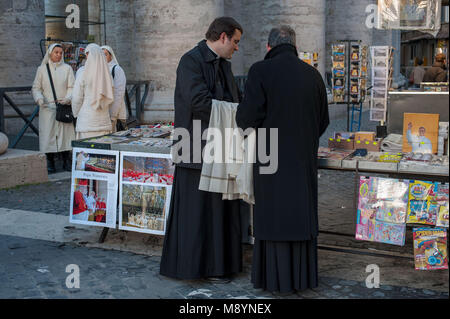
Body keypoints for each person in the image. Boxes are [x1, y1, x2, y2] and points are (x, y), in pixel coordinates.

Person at [236, 25, 329, 293]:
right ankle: (303, 278)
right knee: (300, 215)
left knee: (273, 217)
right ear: (295, 46)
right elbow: (323, 120)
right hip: (302, 160)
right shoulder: (313, 75)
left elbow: (246, 119)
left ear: (269, 47)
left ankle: (273, 279)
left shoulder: (260, 71)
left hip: (269, 157)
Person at [160, 17, 244, 281]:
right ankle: (193, 268)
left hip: (220, 149)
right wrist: (235, 112)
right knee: (196, 215)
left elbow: (233, 100)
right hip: (194, 149)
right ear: (223, 37)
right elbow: (198, 101)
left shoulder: (224, 67)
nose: (237, 48)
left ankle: (219, 267)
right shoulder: (190, 61)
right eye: (236, 42)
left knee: (219, 213)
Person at [32, 43, 76, 173]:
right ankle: (49, 162)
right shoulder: (42, 69)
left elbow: (72, 87)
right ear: (50, 53)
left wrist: (67, 98)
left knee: (65, 135)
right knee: (48, 135)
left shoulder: (67, 69)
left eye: (60, 53)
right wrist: (39, 99)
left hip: (63, 107)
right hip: (47, 108)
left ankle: (66, 161)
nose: (58, 54)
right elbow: (36, 88)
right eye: (56, 52)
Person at [71, 43, 114, 139]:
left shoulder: (82, 73)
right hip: (103, 121)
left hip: (86, 121)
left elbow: (77, 98)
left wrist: (76, 113)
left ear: (87, 55)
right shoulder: (108, 75)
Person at [101, 45, 127, 132]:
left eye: (105, 54)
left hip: (114, 112)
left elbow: (119, 93)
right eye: (101, 55)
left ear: (111, 55)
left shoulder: (117, 69)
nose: (103, 57)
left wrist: (113, 114)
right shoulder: (99, 70)